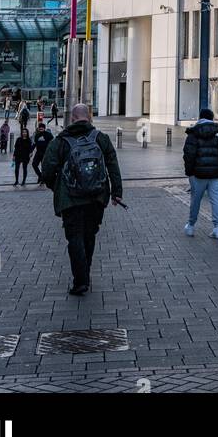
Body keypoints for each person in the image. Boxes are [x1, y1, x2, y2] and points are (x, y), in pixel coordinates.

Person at [41, 102, 124, 295]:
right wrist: (116, 192)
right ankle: (85, 273)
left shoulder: (61, 141)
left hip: (71, 200)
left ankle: (81, 280)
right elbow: (113, 165)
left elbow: (46, 171)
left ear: (72, 119)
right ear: (89, 117)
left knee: (74, 238)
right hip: (97, 197)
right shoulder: (101, 139)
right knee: (89, 235)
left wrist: (58, 187)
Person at [182, 107, 218, 239]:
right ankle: (217, 228)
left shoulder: (193, 133)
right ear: (211, 118)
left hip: (198, 174)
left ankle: (191, 226)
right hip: (216, 173)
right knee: (215, 199)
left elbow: (188, 154)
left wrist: (189, 172)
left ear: (200, 117)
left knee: (196, 200)